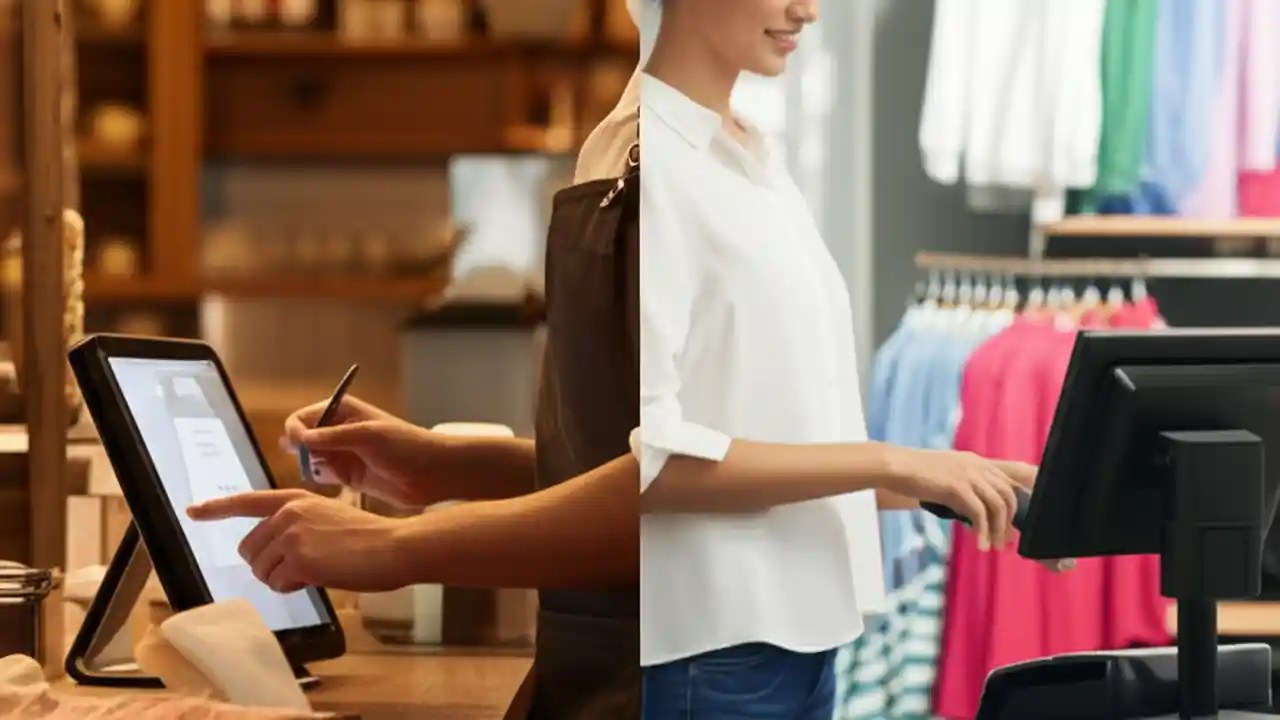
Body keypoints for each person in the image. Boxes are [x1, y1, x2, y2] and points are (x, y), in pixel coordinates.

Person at [186, 4, 654, 717]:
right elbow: (634, 460)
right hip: (600, 667)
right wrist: (444, 466)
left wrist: (394, 545)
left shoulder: (703, 157)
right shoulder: (631, 131)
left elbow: (681, 489)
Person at [635, 1, 1062, 718]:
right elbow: (646, 461)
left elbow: (785, 439)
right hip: (711, 656)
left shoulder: (749, 158)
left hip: (802, 648)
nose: (809, 9)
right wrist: (896, 464)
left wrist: (963, 482)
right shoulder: (648, 163)